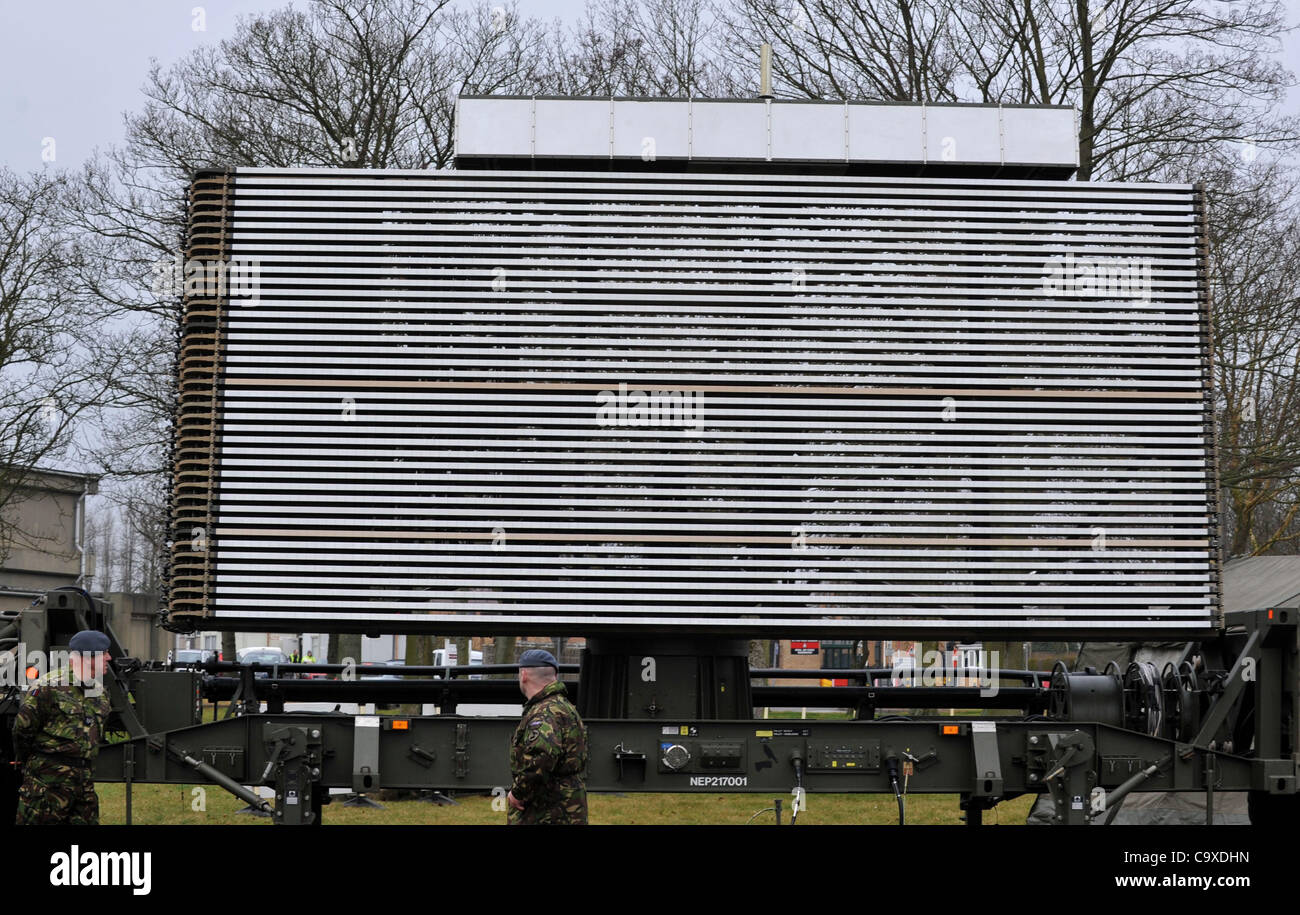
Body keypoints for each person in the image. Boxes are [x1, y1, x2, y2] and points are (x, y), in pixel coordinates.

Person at [11, 630, 114, 825]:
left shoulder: (100, 693)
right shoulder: (49, 686)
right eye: (104, 653)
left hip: (84, 787)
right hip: (47, 786)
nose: (109, 657)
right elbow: (22, 730)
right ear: (88, 657)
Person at [506, 649, 588, 825]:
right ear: (555, 676)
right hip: (567, 808)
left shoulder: (544, 713)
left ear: (524, 674)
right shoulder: (565, 707)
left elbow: (541, 757)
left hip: (547, 811)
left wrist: (518, 793)